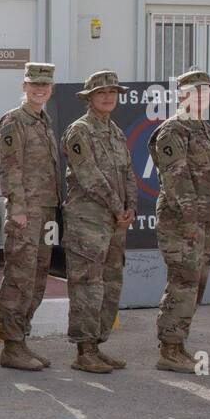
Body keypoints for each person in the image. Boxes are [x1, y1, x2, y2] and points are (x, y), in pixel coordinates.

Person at [149, 68, 210, 373]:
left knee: (197, 284)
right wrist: (192, 223)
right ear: (181, 95)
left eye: (205, 90)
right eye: (193, 91)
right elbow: (177, 182)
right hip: (183, 223)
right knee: (183, 282)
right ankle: (169, 348)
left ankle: (178, 343)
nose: (199, 95)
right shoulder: (172, 131)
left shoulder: (207, 131)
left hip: (206, 222)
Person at [62, 70, 138, 374]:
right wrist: (117, 205)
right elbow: (88, 175)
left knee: (109, 284)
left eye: (113, 93)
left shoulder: (115, 131)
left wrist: (131, 204)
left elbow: (127, 173)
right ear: (89, 98)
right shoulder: (80, 131)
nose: (108, 97)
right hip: (88, 220)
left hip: (115, 221)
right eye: (101, 93)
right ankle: (84, 350)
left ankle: (96, 344)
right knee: (87, 285)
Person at [0, 62, 61, 371]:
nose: (39, 89)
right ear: (24, 87)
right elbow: (11, 168)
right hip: (26, 214)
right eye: (34, 84)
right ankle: (10, 346)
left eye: (45, 85)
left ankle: (21, 340)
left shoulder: (43, 121)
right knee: (19, 279)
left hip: (46, 213)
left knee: (36, 279)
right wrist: (18, 209)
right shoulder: (14, 121)